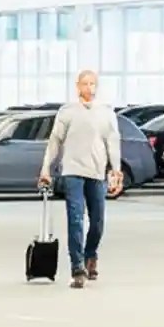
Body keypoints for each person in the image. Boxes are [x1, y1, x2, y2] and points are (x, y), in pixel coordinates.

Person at [38, 70, 124, 289]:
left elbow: (113, 142)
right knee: (75, 219)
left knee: (97, 222)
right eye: (85, 83)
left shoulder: (106, 112)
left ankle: (90, 254)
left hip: (97, 173)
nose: (89, 87)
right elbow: (55, 141)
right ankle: (77, 267)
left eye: (93, 84)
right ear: (78, 86)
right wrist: (46, 169)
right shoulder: (67, 111)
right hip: (72, 171)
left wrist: (116, 170)